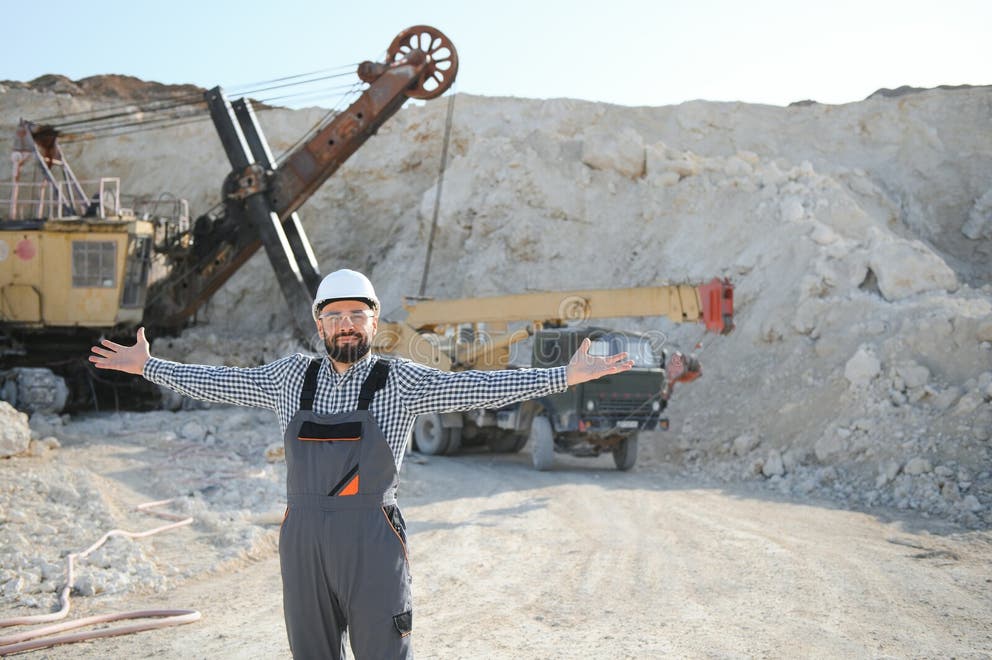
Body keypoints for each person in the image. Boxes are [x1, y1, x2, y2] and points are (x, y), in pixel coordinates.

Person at [89, 269, 633, 659]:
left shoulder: (401, 380)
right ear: (318, 324)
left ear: (375, 322)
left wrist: (563, 376)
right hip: (302, 539)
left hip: (373, 539)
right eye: (336, 316)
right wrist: (151, 368)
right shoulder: (288, 378)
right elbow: (222, 383)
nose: (346, 325)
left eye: (357, 315)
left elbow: (477, 386)